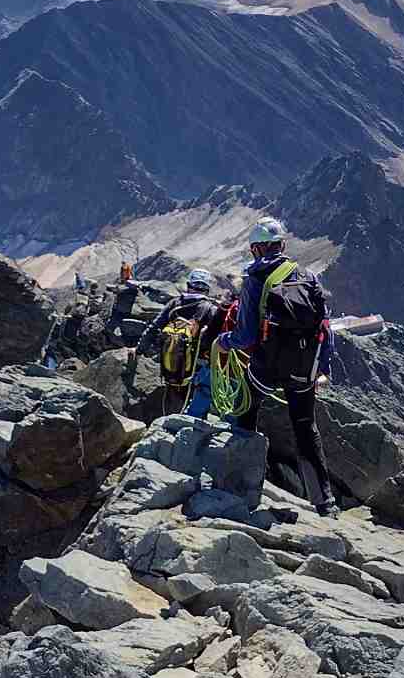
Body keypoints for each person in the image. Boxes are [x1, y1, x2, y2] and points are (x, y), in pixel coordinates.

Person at [216, 217, 338, 516]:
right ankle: (325, 503)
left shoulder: (255, 279)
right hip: (303, 370)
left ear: (256, 249)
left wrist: (223, 342)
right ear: (282, 245)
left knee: (245, 410)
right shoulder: (307, 276)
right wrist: (322, 369)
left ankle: (238, 485)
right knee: (305, 428)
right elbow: (325, 328)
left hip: (266, 367)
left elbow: (245, 336)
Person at [132, 268, 227, 419]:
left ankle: (166, 423)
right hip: (197, 366)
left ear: (189, 285)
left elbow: (154, 327)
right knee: (194, 402)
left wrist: (139, 349)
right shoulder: (211, 309)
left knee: (171, 399)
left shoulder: (174, 304)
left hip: (171, 362)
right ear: (207, 289)